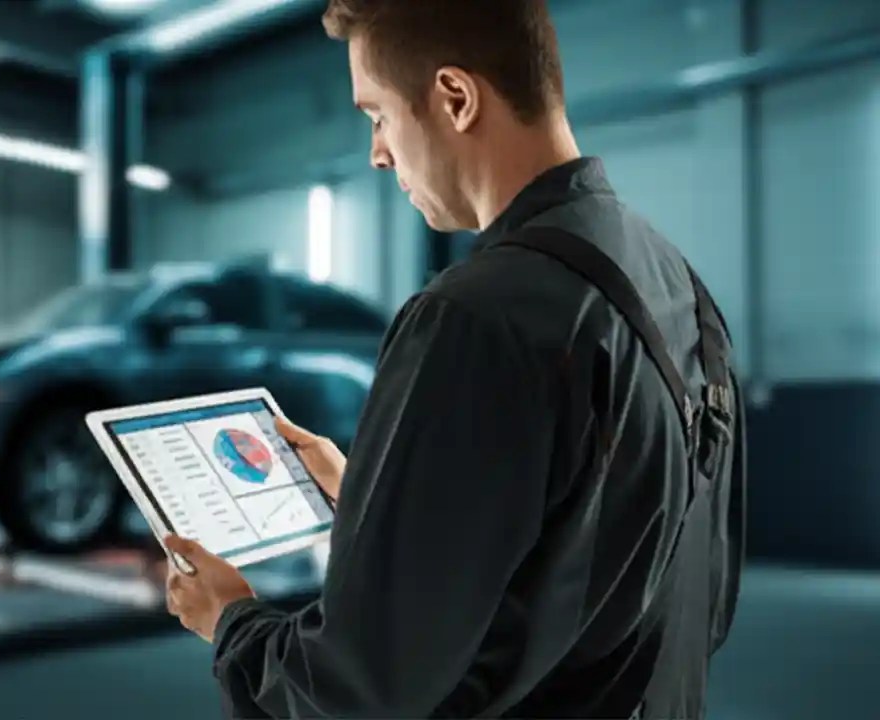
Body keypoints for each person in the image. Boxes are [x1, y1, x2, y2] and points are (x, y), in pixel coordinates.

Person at [162, 1, 747, 717]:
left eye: (377, 114)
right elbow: (682, 593)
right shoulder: (677, 286)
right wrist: (383, 507)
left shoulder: (474, 316)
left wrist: (230, 622)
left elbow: (356, 694)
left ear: (455, 99)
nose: (377, 152)